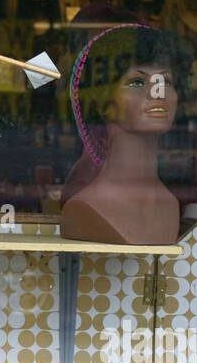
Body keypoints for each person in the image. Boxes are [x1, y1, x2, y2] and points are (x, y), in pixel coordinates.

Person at [61, 22, 187, 244]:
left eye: (165, 81)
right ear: (104, 102)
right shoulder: (87, 207)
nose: (157, 93)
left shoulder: (170, 204)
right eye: (137, 82)